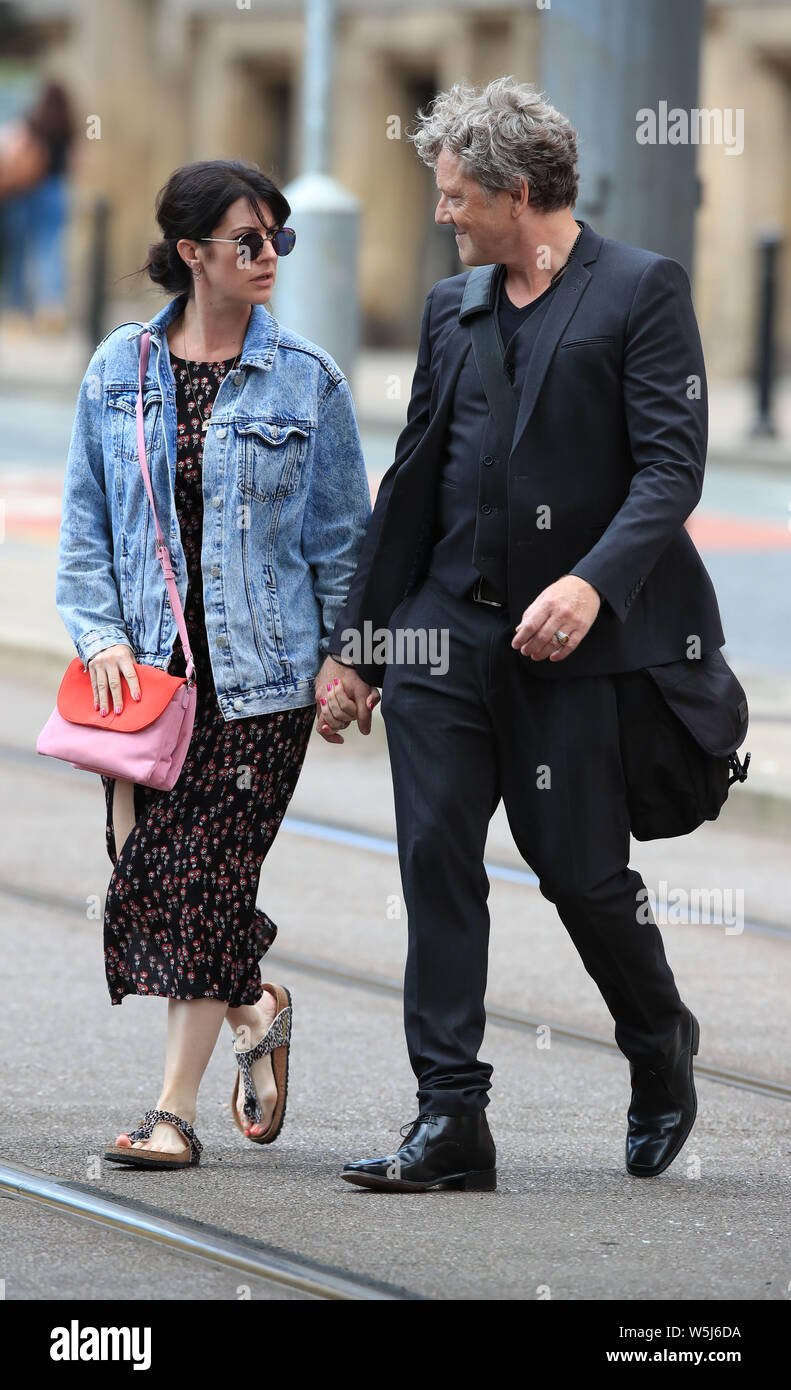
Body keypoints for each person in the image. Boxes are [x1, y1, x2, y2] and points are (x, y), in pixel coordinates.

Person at [319, 78, 726, 1191]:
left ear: (513, 192)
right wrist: (361, 645)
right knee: (433, 860)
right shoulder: (454, 311)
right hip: (443, 635)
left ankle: (656, 1042)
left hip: (571, 649)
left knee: (580, 874)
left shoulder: (638, 289)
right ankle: (450, 1118)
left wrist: (592, 585)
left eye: (456, 196)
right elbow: (410, 484)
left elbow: (667, 468)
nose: (443, 213)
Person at [55, 159, 376, 1168]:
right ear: (191, 253)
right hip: (146, 683)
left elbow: (343, 544)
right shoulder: (119, 370)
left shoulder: (307, 378)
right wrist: (99, 635)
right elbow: (85, 530)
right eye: (247, 240)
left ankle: (172, 1113)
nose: (269, 255)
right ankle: (255, 1005)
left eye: (279, 236)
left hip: (263, 683)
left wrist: (348, 664)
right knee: (141, 876)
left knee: (201, 876)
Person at [0, 80, 76, 332]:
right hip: (55, 190)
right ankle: (51, 307)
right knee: (50, 249)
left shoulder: (33, 120)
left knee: (19, 252)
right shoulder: (68, 124)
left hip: (25, 191)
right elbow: (78, 160)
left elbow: (13, 149)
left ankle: (16, 312)